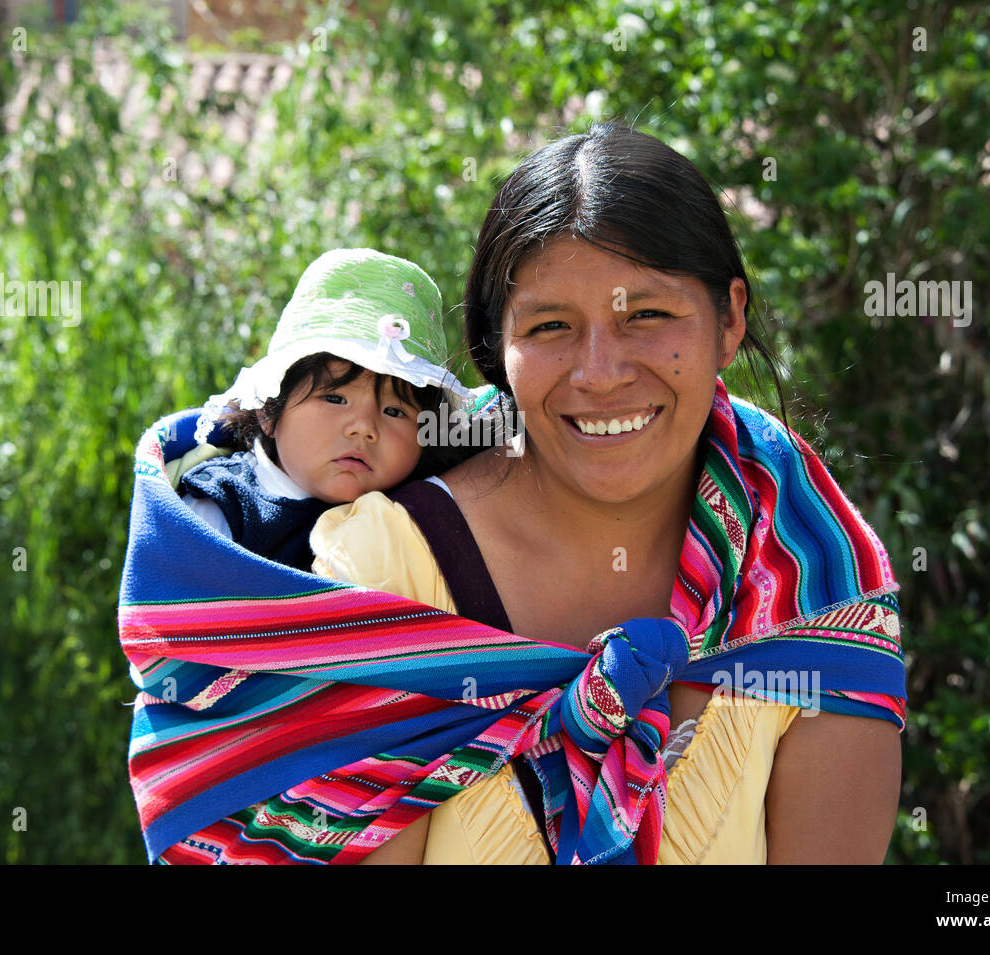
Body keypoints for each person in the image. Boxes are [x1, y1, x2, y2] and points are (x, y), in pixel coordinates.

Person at [309, 122, 905, 864]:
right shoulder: (388, 576)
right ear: (500, 347)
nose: (599, 371)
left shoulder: (809, 578)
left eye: (646, 315)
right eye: (552, 325)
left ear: (730, 320)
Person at [161, 247, 475, 570]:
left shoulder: (419, 515)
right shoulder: (218, 511)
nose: (364, 427)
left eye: (394, 412)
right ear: (270, 411)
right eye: (336, 399)